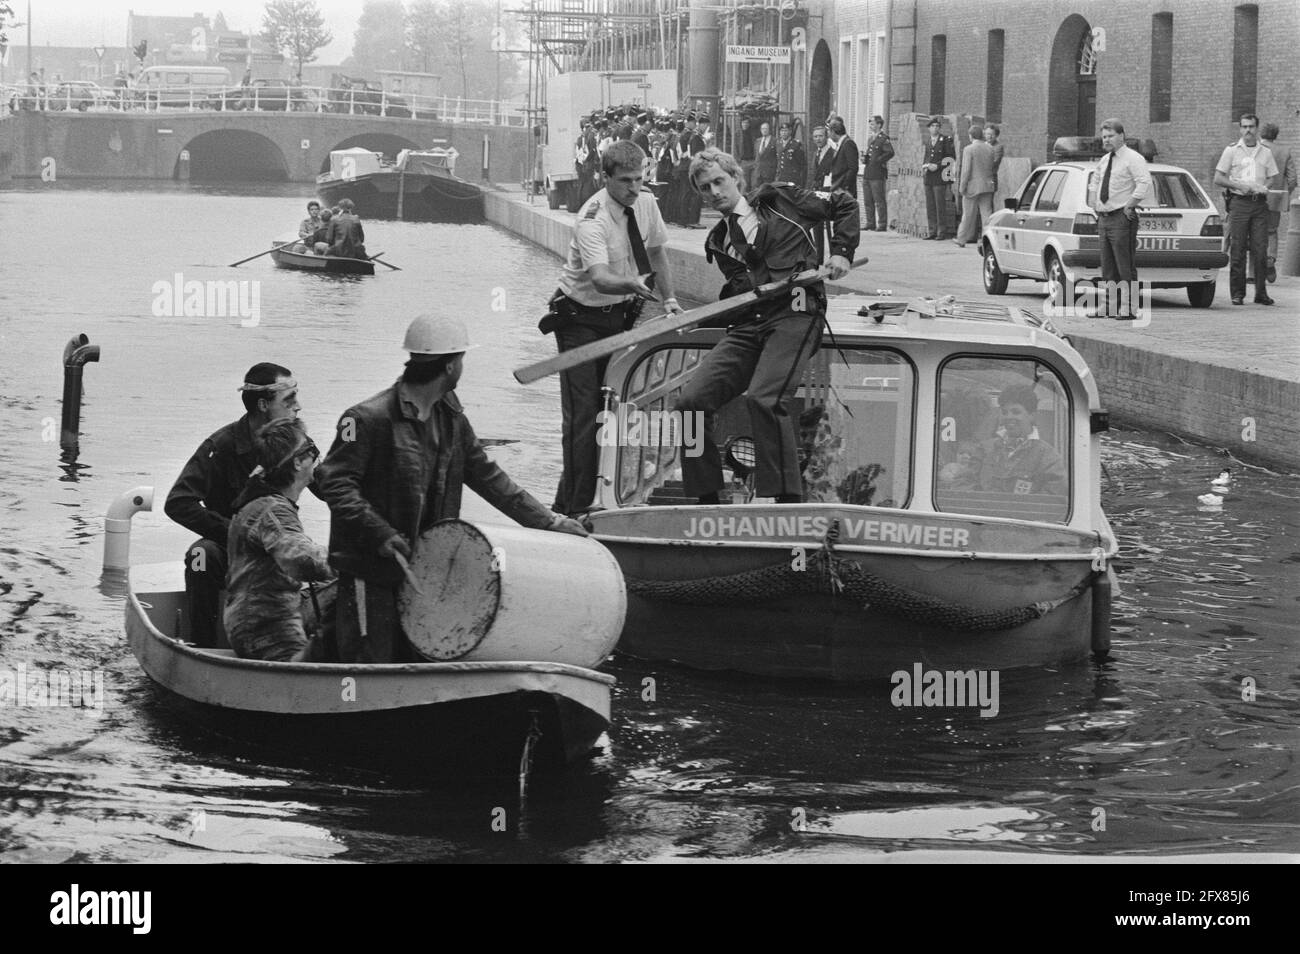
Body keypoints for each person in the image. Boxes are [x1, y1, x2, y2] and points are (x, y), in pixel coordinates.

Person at [314, 315, 590, 663]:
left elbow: (491, 479)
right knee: (369, 662)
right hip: (370, 571)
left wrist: (548, 522)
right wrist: (378, 534)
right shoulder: (363, 419)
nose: (462, 367)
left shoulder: (452, 419)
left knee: (415, 661)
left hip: (426, 567)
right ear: (448, 366)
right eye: (461, 360)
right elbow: (333, 481)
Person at [676, 148, 859, 504]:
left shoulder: (782, 200)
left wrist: (841, 252)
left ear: (736, 179)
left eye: (719, 181)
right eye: (704, 188)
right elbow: (741, 297)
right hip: (750, 325)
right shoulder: (719, 240)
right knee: (690, 404)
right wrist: (694, 321)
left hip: (795, 313)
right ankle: (707, 497)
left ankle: (785, 500)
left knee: (764, 398)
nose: (714, 192)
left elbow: (845, 203)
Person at [541, 140, 684, 516]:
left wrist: (668, 299)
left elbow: (656, 253)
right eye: (625, 181)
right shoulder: (592, 218)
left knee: (613, 409)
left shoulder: (646, 203)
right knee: (584, 415)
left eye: (639, 179)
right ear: (605, 178)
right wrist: (632, 285)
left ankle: (579, 498)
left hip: (619, 317)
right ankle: (572, 512)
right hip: (579, 320)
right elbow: (602, 278)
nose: (633, 189)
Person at [165, 364, 302, 647]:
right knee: (200, 557)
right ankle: (202, 648)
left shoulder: (296, 442)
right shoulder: (221, 445)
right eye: (289, 401)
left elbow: (330, 487)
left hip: (279, 544)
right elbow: (178, 502)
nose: (297, 408)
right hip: (229, 547)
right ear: (263, 405)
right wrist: (234, 531)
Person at [224, 418, 333, 662]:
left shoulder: (264, 500)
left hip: (260, 614)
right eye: (312, 452)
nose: (316, 459)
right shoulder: (273, 511)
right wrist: (353, 560)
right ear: (297, 462)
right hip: (265, 626)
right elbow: (302, 561)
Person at [1215, 114, 1279, 306]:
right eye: (1244, 127)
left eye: (1251, 127)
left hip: (1259, 204)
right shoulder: (1232, 150)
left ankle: (1260, 293)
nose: (1248, 130)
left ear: (1257, 128)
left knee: (1260, 249)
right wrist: (1238, 186)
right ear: (1240, 129)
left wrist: (1265, 186)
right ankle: (1237, 293)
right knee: (1238, 248)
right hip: (1239, 202)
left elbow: (1272, 176)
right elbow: (1218, 178)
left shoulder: (1265, 152)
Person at [1090, 118, 1150, 318]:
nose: (1106, 140)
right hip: (1104, 218)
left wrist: (1130, 205)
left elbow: (1143, 183)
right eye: (1104, 136)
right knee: (1107, 266)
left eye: (1110, 136)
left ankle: (1129, 307)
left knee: (1124, 265)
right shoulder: (1105, 159)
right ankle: (1108, 305)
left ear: (1121, 135)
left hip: (1121, 217)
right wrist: (1094, 203)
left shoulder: (1133, 158)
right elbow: (1095, 180)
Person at [972, 386, 1066, 495]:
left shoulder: (1048, 457)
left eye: (1016, 412)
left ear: (1032, 416)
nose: (1008, 417)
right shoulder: (984, 449)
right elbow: (964, 483)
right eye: (1004, 412)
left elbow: (1053, 499)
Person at [1260, 123, 1296, 285]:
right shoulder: (1284, 151)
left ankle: (1252, 274)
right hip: (1275, 198)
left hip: (1256, 197)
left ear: (1261, 133)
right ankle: (1270, 258)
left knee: (1253, 233)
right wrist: (1284, 193)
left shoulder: (1255, 149)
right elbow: (1293, 179)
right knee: (1271, 231)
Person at [954, 125, 996, 248]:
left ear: (971, 136)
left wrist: (962, 187)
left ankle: (961, 239)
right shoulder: (990, 149)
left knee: (967, 214)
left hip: (972, 187)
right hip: (987, 185)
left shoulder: (969, 149)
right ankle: (986, 240)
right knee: (987, 215)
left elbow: (966, 170)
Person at [922, 117, 955, 239]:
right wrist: (925, 166)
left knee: (939, 205)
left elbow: (951, 158)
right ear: (929, 128)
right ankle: (932, 231)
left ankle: (941, 231)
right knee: (930, 205)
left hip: (940, 177)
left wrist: (938, 166)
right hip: (929, 176)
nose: (935, 128)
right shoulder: (928, 141)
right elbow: (926, 157)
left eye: (937, 126)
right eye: (932, 126)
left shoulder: (945, 140)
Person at [862, 115, 894, 231]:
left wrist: (878, 160)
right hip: (868, 172)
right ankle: (870, 222)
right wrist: (864, 159)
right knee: (867, 200)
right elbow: (870, 154)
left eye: (873, 123)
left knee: (879, 200)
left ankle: (882, 224)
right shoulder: (871, 139)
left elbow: (890, 153)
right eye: (870, 123)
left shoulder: (883, 138)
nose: (871, 126)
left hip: (877, 173)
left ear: (879, 125)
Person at [828, 117, 860, 198]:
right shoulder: (841, 143)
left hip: (844, 190)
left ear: (833, 131)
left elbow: (853, 168)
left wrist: (844, 187)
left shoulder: (848, 143)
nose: (828, 134)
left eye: (829, 131)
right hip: (838, 188)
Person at [809, 125, 835, 189]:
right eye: (815, 136)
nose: (818, 139)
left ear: (827, 137)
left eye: (821, 136)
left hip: (828, 191)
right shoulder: (815, 153)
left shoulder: (834, 154)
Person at [754, 121, 777, 188]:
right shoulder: (757, 141)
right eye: (762, 129)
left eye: (766, 128)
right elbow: (756, 156)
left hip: (769, 173)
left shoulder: (775, 141)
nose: (764, 130)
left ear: (769, 130)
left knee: (768, 193)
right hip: (758, 173)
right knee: (758, 193)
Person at [737, 116, 758, 186]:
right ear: (741, 124)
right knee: (745, 183)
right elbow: (735, 148)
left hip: (753, 161)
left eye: (747, 123)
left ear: (749, 124)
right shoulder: (737, 134)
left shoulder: (753, 133)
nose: (745, 124)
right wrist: (738, 160)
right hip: (744, 161)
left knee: (754, 182)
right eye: (743, 123)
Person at [984, 123, 1005, 192]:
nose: (989, 136)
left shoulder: (998, 147)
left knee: (988, 201)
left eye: (992, 134)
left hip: (990, 179)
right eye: (987, 134)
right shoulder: (982, 145)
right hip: (980, 179)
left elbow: (994, 162)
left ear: (996, 136)